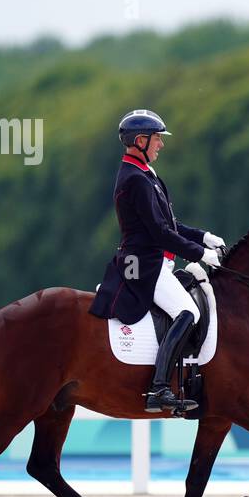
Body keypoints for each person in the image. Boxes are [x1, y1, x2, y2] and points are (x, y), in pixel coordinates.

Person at [89, 110, 226, 413]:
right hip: (143, 265)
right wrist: (200, 255)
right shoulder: (135, 179)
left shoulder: (146, 175)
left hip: (154, 262)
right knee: (188, 311)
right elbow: (160, 233)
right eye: (157, 139)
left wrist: (204, 237)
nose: (161, 145)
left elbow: (170, 224)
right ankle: (159, 388)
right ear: (140, 140)